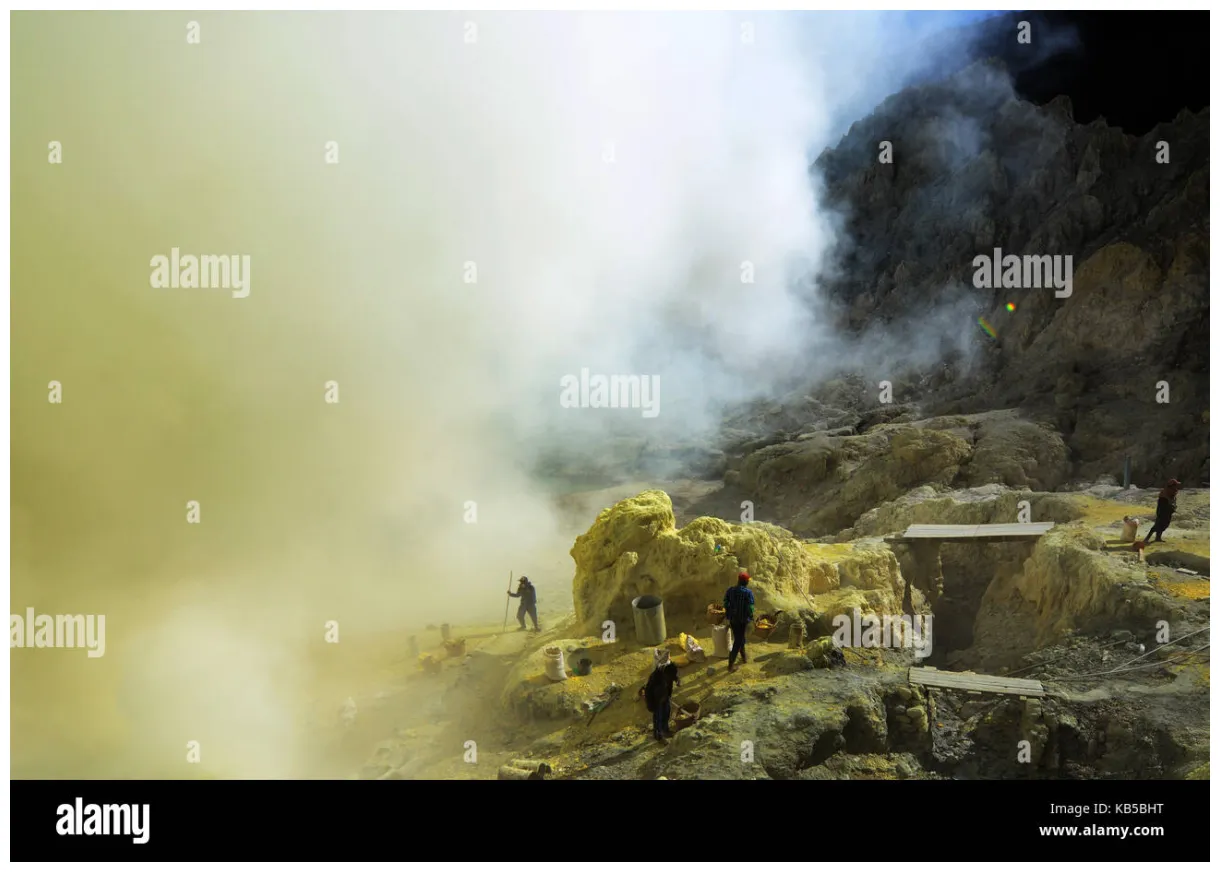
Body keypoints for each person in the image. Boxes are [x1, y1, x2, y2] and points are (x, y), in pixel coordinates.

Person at [643, 648, 680, 742]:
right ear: (665, 674)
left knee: (666, 713)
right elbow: (648, 692)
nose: (669, 679)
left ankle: (665, 730)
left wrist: (677, 680)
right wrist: (653, 704)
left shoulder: (669, 670)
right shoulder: (655, 677)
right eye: (669, 677)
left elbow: (674, 676)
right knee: (658, 718)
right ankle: (658, 735)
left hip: (665, 697)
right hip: (656, 701)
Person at [724, 570, 755, 672]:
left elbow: (725, 603)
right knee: (738, 640)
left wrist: (729, 613)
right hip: (742, 621)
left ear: (738, 580)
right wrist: (751, 615)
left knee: (740, 637)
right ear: (746, 582)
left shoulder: (730, 590)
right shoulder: (748, 593)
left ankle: (743, 657)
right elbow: (750, 607)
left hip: (733, 620)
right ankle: (730, 665)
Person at [1144, 479, 1182, 544]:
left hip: (1167, 511)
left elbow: (1173, 500)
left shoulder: (1173, 491)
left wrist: (1173, 506)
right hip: (1162, 511)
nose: (1177, 487)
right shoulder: (1164, 492)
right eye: (1175, 485)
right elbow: (1168, 501)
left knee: (1164, 524)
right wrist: (1172, 505)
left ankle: (1158, 538)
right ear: (1172, 486)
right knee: (1158, 525)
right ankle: (1146, 539)